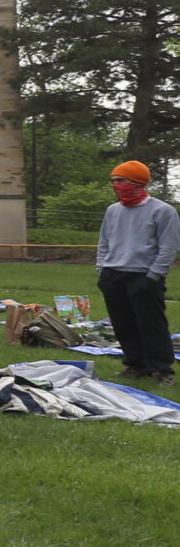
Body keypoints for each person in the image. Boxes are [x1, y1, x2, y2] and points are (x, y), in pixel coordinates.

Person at [97, 160, 177, 383]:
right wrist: (102, 270)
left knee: (151, 325)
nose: (116, 185)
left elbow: (169, 247)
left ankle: (161, 370)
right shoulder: (113, 211)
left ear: (137, 182)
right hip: (113, 275)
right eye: (113, 181)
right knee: (123, 324)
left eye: (121, 180)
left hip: (143, 276)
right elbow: (104, 242)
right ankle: (135, 364)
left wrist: (153, 275)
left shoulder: (162, 211)